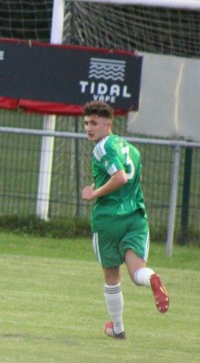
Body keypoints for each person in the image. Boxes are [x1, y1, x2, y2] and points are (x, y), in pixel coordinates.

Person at [81, 100, 169, 340]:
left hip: (109, 219)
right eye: (86, 123)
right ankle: (152, 278)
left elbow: (119, 178)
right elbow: (129, 179)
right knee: (137, 271)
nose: (89, 128)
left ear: (108, 124)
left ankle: (118, 328)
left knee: (112, 277)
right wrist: (100, 185)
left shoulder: (102, 148)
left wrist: (94, 194)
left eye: (94, 123)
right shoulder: (131, 149)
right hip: (136, 217)